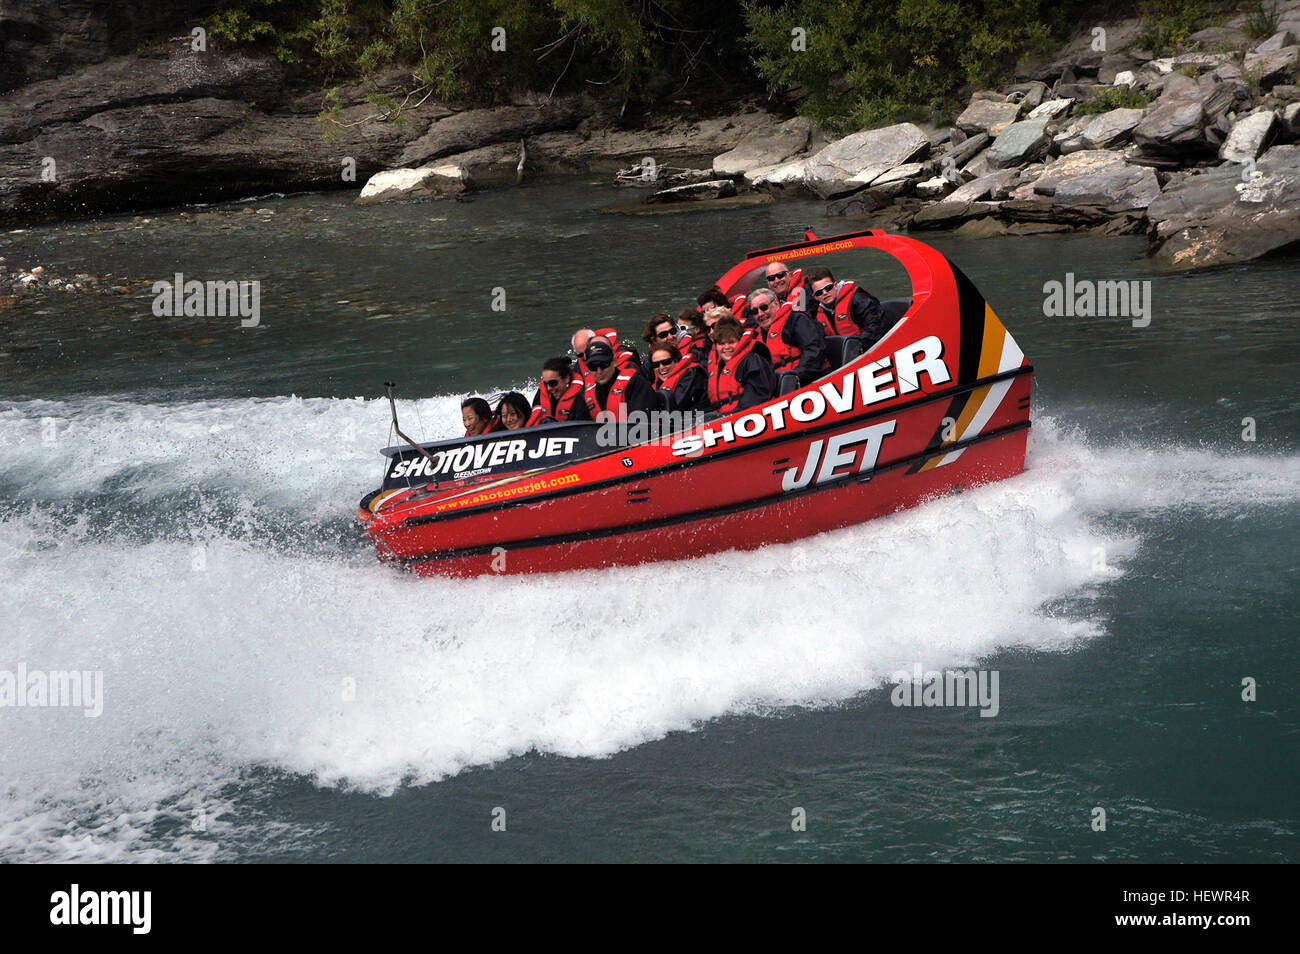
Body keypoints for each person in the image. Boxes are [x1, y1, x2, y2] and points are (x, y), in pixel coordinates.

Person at [749, 287, 825, 386]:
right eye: (755, 311)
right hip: (779, 387)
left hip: (809, 381)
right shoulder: (756, 337)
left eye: (764, 307)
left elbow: (814, 349)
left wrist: (794, 379)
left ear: (776, 304)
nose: (760, 314)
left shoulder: (796, 320)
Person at [806, 266, 892, 347]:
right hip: (844, 354)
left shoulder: (857, 299)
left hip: (869, 349)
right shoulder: (816, 315)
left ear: (835, 285)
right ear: (815, 297)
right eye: (819, 292)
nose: (825, 293)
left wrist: (859, 348)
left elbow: (875, 326)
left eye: (828, 288)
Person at [706, 316, 773, 414]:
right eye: (722, 343)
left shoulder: (751, 361)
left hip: (745, 417)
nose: (726, 347)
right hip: (721, 417)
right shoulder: (718, 367)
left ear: (740, 340)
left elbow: (756, 398)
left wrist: (730, 417)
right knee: (689, 419)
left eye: (731, 342)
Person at [581, 338, 656, 420]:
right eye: (592, 367)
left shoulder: (636, 383)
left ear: (614, 361)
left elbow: (643, 422)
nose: (599, 371)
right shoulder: (585, 391)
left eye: (603, 365)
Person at [531, 356, 591, 425]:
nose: (548, 388)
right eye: (545, 384)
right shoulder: (540, 396)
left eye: (552, 383)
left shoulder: (581, 400)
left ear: (566, 378)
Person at [650, 343, 707, 413]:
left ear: (677, 361)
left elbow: (678, 404)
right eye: (655, 364)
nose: (661, 367)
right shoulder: (657, 384)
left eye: (666, 362)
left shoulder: (691, 374)